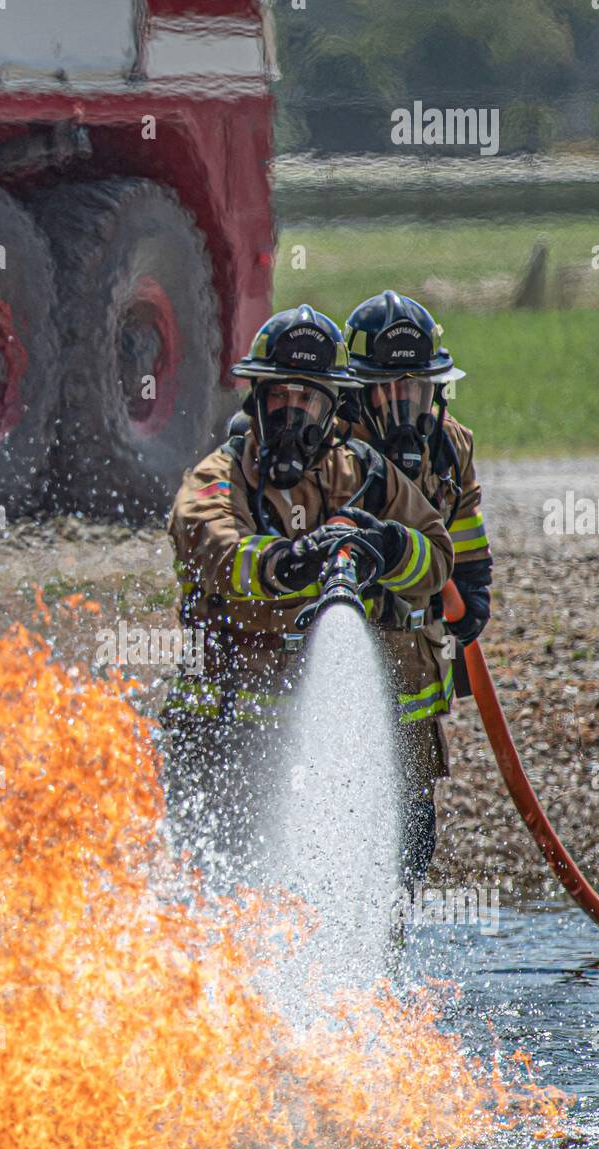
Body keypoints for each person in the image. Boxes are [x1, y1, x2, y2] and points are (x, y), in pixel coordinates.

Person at [164, 304, 453, 885]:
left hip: (336, 755)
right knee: (228, 905)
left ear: (332, 408)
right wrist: (290, 561)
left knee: (377, 892)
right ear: (257, 401)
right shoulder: (218, 479)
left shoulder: (362, 474)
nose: (295, 413)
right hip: (226, 748)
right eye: (281, 398)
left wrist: (391, 548)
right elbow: (220, 553)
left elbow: (437, 554)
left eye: (311, 400)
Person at [342, 291, 493, 874]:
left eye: (417, 389)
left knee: (411, 841)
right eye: (387, 389)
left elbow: (467, 535)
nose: (404, 404)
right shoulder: (332, 451)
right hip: (343, 659)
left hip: (415, 669)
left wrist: (473, 592)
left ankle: (388, 957)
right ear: (358, 393)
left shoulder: (452, 447)